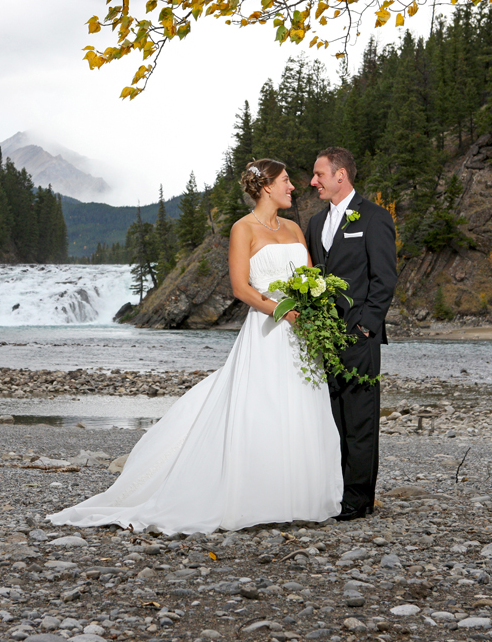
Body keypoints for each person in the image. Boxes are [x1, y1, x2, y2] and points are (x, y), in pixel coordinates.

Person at [47, 159, 342, 535]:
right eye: (286, 181)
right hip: (269, 329)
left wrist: (313, 307)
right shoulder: (242, 229)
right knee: (263, 408)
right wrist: (284, 311)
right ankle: (256, 497)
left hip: (302, 333)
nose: (293, 187)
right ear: (266, 187)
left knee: (302, 406)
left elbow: (311, 276)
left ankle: (300, 497)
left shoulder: (295, 229)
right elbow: (241, 288)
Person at [305, 147, 397, 521]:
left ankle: (358, 502)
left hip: (359, 338)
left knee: (360, 421)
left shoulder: (375, 218)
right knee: (330, 420)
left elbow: (385, 279)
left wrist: (365, 327)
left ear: (340, 175)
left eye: (319, 175)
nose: (313, 182)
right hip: (323, 340)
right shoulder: (314, 224)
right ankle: (333, 494)